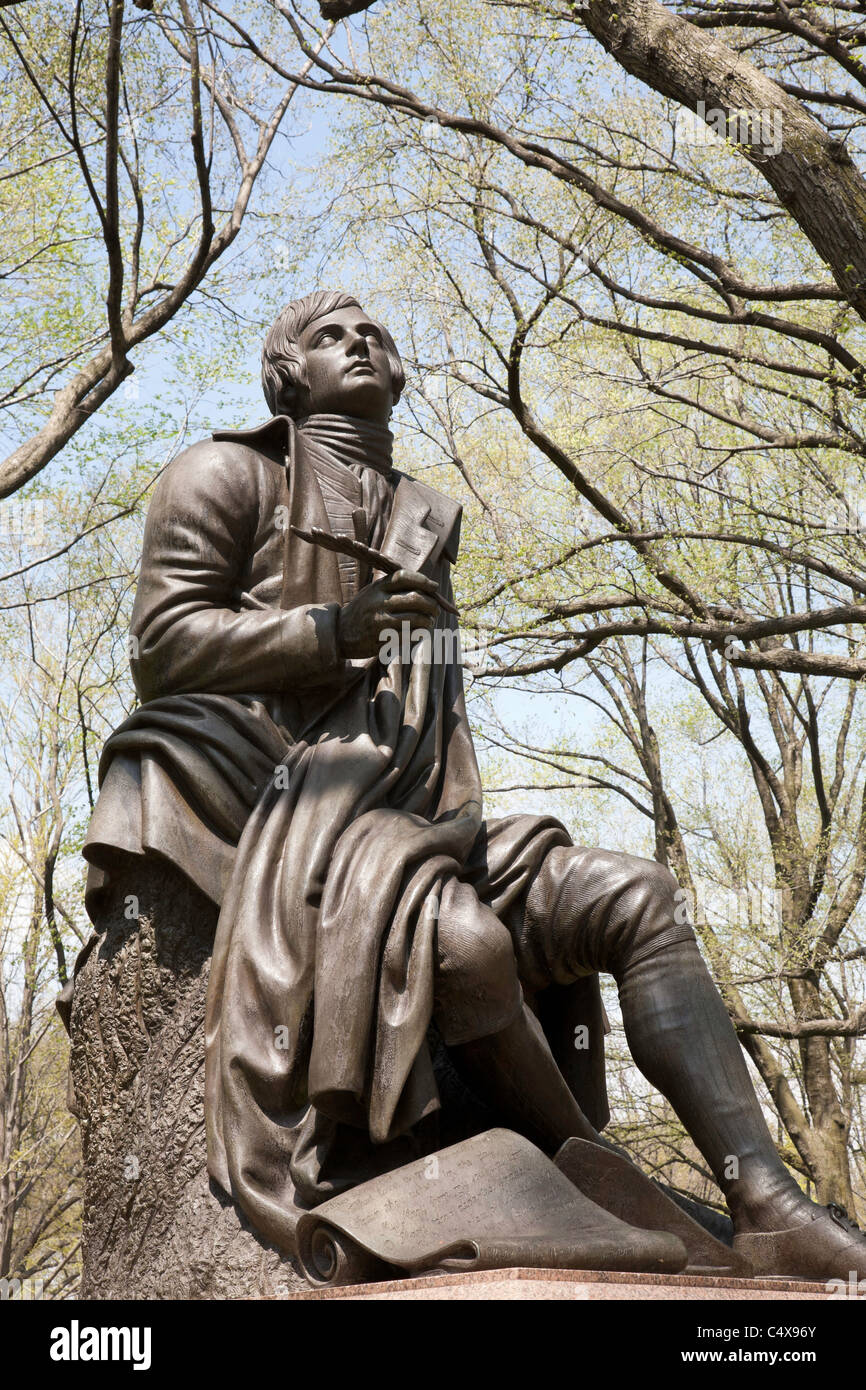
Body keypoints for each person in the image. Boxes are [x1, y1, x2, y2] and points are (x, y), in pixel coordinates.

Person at [82, 289, 866, 1281]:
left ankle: (765, 1201)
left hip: (423, 830)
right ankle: (591, 1177)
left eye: (375, 331)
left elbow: (427, 722)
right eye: (329, 335)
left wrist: (439, 820)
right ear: (286, 374)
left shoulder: (423, 518)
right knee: (461, 944)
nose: (361, 339)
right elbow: (163, 644)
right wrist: (332, 636)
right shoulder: (222, 474)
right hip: (295, 819)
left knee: (637, 896)